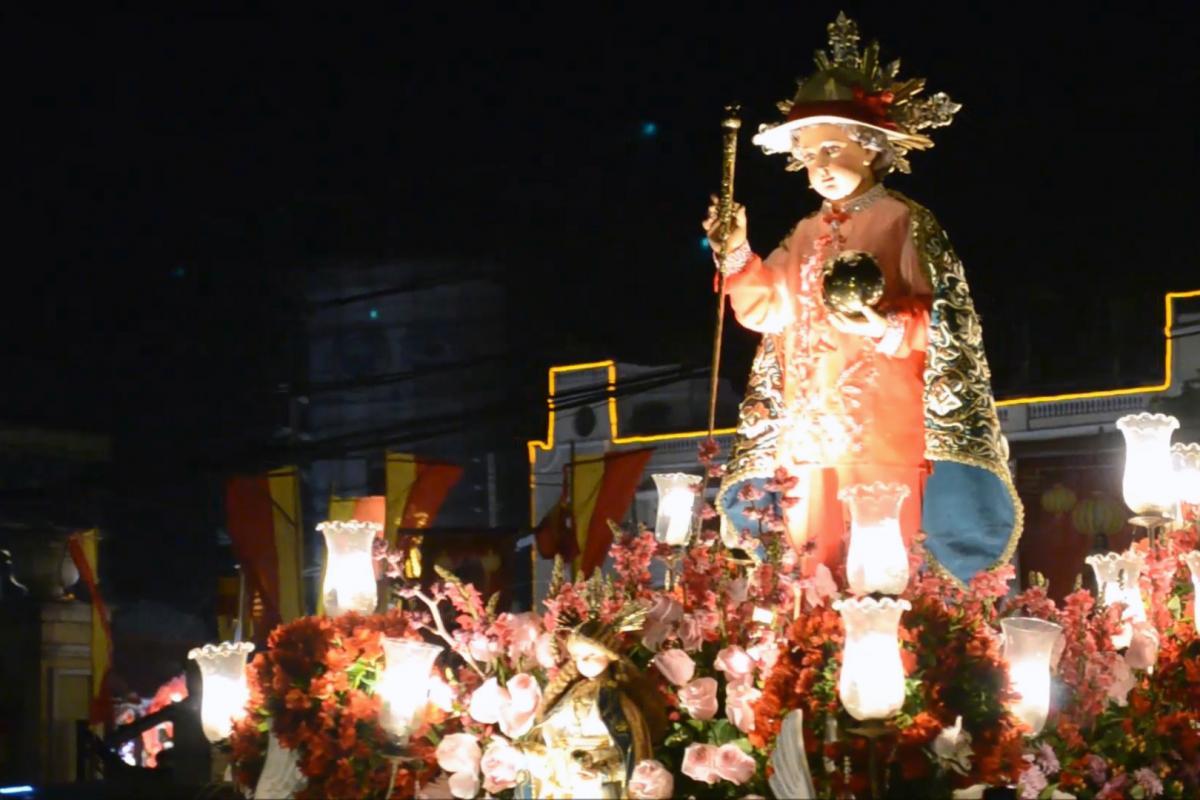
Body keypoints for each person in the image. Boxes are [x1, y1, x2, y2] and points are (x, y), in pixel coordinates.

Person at [707, 13, 1021, 584]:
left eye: (831, 149)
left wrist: (885, 325)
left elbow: (944, 321)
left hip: (884, 430)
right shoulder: (803, 234)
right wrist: (735, 254)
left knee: (884, 579)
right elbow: (765, 311)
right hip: (805, 437)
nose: (819, 167)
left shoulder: (903, 221)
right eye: (807, 156)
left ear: (871, 147)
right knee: (810, 582)